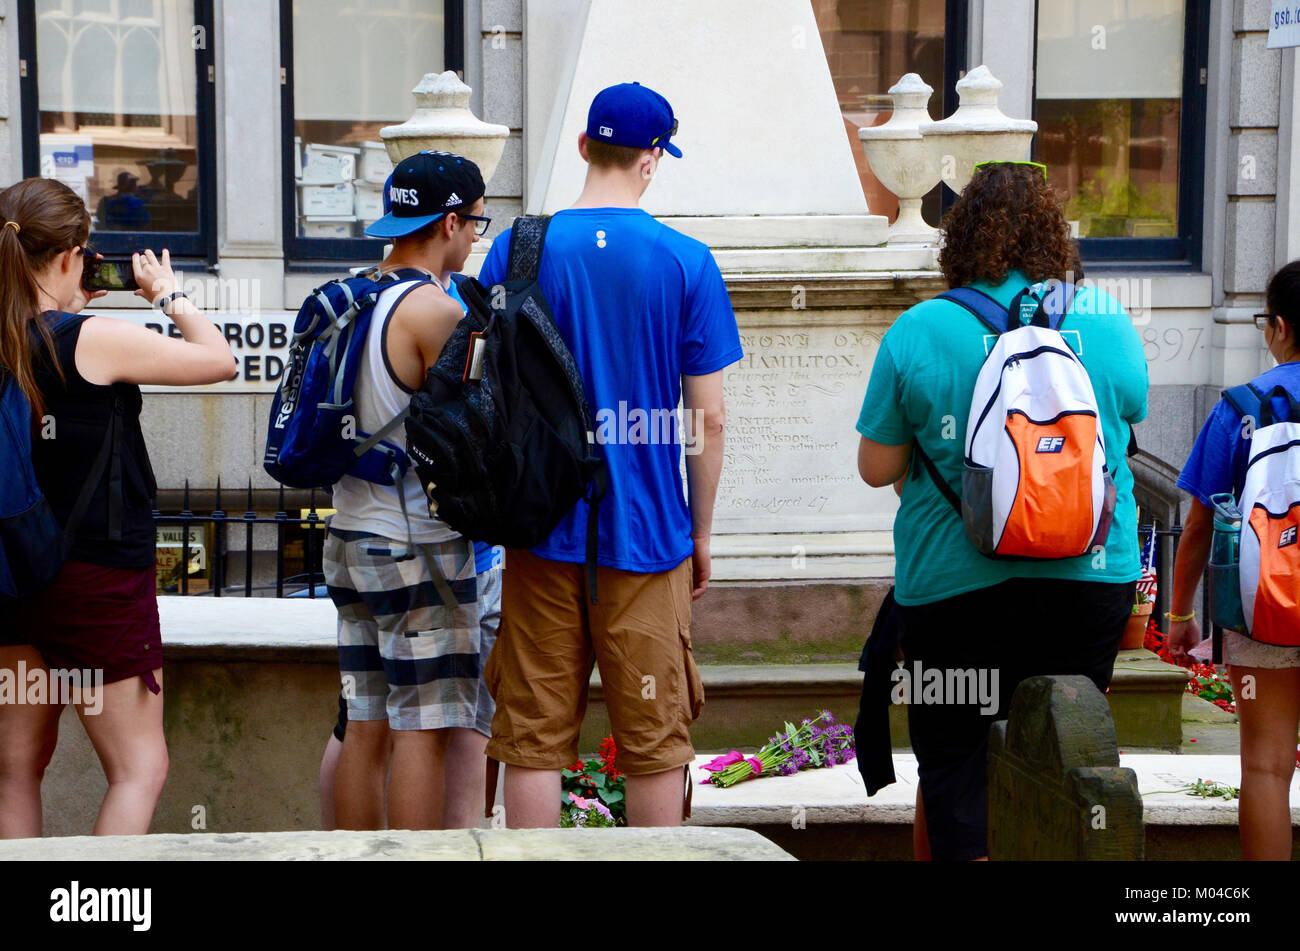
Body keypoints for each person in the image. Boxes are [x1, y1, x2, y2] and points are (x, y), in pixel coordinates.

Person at [856, 162, 1148, 860]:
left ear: (960, 238)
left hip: (954, 591)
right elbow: (1129, 419)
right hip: (1089, 585)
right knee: (1061, 755)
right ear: (1054, 234)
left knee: (955, 765)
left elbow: (877, 468)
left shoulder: (921, 327)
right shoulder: (1104, 316)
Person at [477, 82, 741, 828]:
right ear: (652, 160)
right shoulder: (685, 262)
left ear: (586, 147)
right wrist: (703, 533)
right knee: (653, 742)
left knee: (532, 739)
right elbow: (709, 418)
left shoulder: (516, 249)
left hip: (541, 528)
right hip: (649, 538)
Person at [0, 176, 235, 837]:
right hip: (94, 579)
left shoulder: (8, 335)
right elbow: (218, 360)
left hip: (11, 574)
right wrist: (168, 294)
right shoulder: (90, 339)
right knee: (138, 767)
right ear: (74, 253)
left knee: (16, 764)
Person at [322, 151, 494, 831]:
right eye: (476, 225)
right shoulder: (432, 311)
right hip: (416, 548)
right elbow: (483, 427)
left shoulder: (352, 294)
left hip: (349, 537)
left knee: (365, 722)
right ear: (451, 221)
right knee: (422, 729)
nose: (473, 238)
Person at [1167, 260, 1300, 860]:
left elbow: (1198, 525)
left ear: (1278, 327)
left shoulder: (1243, 407)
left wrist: (1178, 616)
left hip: (1263, 607)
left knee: (1267, 767)